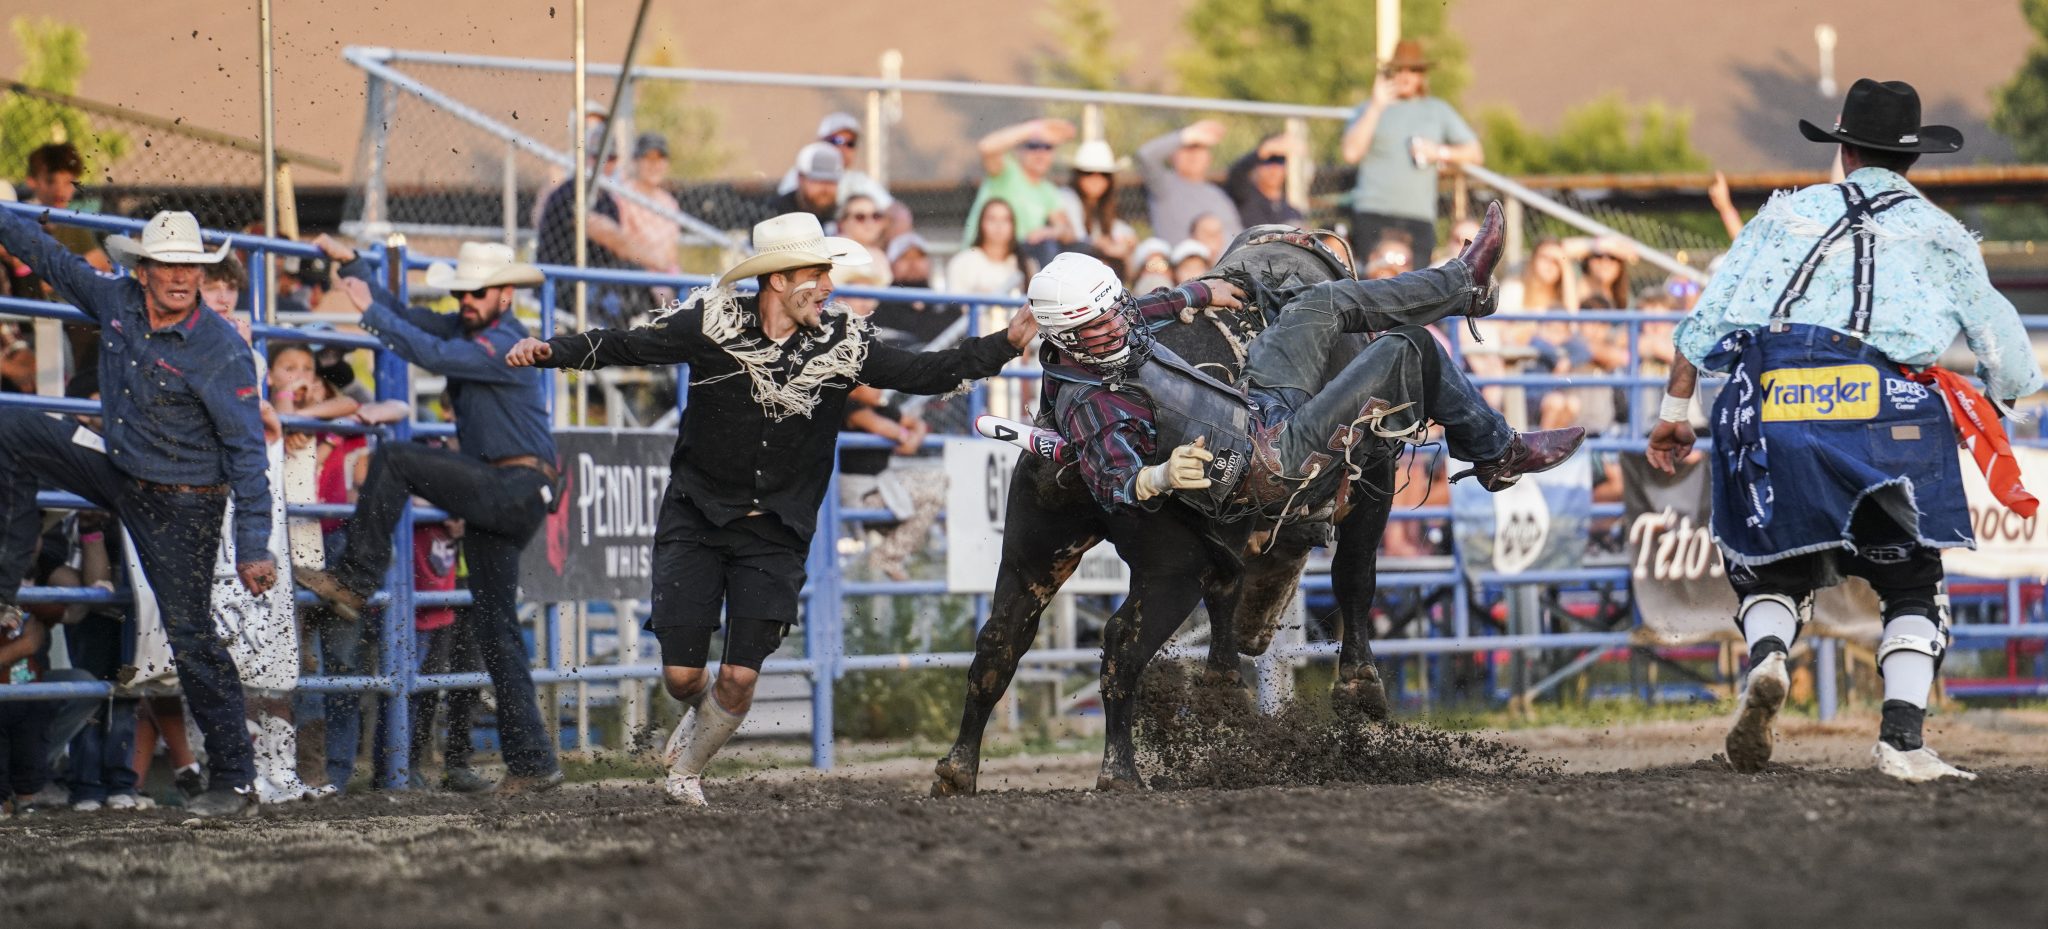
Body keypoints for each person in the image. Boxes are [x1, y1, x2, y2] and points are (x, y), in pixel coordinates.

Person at [502, 212, 1041, 807]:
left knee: (739, 677)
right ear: (780, 280)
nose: (830, 288)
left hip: (775, 533)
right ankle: (696, 715)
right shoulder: (711, 325)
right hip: (697, 518)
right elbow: (630, 344)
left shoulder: (844, 344)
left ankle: (686, 774)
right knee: (683, 677)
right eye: (819, 274)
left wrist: (1007, 344)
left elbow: (923, 371)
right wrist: (552, 350)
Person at [1647, 79, 2046, 782]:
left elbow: (1704, 322)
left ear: (1844, 148)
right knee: (1913, 582)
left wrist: (1674, 416)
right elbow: (2008, 355)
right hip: (1881, 406)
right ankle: (1901, 739)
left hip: (1768, 396)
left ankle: (1770, 656)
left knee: (1768, 565)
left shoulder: (1784, 217)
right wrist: (2001, 398)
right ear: (1912, 159)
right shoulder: (1941, 233)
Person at [1022, 204, 1582, 532]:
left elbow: (1142, 309)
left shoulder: (1104, 328)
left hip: (1252, 403)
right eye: (1102, 322)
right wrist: (1158, 476)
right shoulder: (1089, 403)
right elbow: (1115, 484)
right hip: (1259, 465)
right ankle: (1498, 450)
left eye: (1116, 308)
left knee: (1321, 301)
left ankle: (1464, 283)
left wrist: (1199, 290)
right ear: (1069, 336)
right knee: (1408, 347)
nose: (1119, 325)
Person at [0, 208, 275, 818]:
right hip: (122, 470)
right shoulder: (116, 300)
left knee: (190, 636)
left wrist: (255, 543)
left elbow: (248, 453)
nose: (181, 277)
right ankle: (4, 590)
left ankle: (236, 778)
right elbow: (50, 260)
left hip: (184, 505)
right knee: (13, 429)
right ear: (144, 270)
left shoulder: (221, 350)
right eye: (170, 265)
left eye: (191, 267)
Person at [294, 236, 564, 794]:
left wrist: (366, 310)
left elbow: (426, 348)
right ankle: (534, 761)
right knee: (496, 631)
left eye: (477, 291)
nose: (467, 299)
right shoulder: (474, 332)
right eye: (462, 291)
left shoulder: (504, 342)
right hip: (511, 489)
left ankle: (354, 581)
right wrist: (353, 265)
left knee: (393, 458)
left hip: (512, 486)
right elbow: (408, 316)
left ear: (505, 295)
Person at [1340, 39, 1482, 263]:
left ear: (1422, 75)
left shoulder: (1437, 110)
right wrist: (1376, 106)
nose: (1406, 76)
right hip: (1373, 213)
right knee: (1374, 283)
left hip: (1418, 217)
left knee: (1417, 289)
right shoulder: (1369, 108)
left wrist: (1440, 152)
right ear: (1389, 73)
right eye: (1400, 69)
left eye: (1414, 70)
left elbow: (1474, 152)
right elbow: (1350, 153)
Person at [535, 125, 665, 327]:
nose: (604, 165)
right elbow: (608, 234)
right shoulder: (572, 191)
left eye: (611, 158)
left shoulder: (608, 200)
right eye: (597, 157)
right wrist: (656, 260)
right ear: (586, 158)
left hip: (595, 285)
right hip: (562, 285)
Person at [963, 118, 1076, 262]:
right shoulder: (1006, 172)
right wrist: (1035, 128)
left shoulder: (1048, 190)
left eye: (1048, 147)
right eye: (1033, 146)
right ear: (1018, 151)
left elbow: (1068, 231)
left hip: (1015, 263)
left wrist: (1050, 232)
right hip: (983, 260)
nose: (1041, 153)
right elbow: (986, 147)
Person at [1137, 120, 1243, 249]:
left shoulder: (1218, 194)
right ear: (1172, 156)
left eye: (1199, 148)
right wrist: (1187, 135)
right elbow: (1145, 155)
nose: (1193, 155)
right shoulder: (1164, 186)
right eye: (1187, 148)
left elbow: (1237, 236)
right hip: (1183, 265)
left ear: (1209, 158)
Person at [774, 112, 893, 210]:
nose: (843, 148)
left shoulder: (858, 180)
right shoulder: (804, 170)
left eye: (850, 143)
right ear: (820, 141)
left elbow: (892, 209)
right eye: (836, 141)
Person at [1055, 140, 1138, 276]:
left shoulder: (1105, 207)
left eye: (1103, 174)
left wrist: (1125, 241)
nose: (1096, 179)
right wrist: (1104, 246)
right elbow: (1077, 237)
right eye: (1088, 173)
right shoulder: (1066, 197)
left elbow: (1124, 233)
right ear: (1078, 175)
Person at [1226, 134, 1305, 229]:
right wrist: (1261, 152)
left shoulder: (1292, 213)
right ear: (1256, 166)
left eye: (1279, 161)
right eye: (1268, 160)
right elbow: (1236, 174)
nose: (1273, 168)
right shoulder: (1245, 198)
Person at [768, 142, 844, 227]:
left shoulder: (843, 216)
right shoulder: (773, 214)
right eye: (818, 180)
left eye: (831, 181)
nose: (825, 189)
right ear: (800, 178)